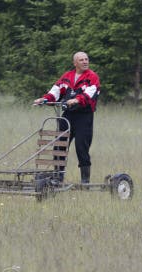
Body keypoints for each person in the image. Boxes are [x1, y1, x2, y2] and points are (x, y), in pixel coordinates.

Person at [33, 51, 100, 184]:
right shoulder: (67, 76)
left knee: (81, 147)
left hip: (84, 117)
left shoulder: (92, 77)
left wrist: (76, 100)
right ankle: (58, 178)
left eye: (86, 59)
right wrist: (44, 99)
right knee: (59, 146)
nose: (85, 62)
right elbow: (56, 91)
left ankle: (85, 181)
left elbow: (90, 93)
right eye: (81, 60)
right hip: (67, 116)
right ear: (75, 63)